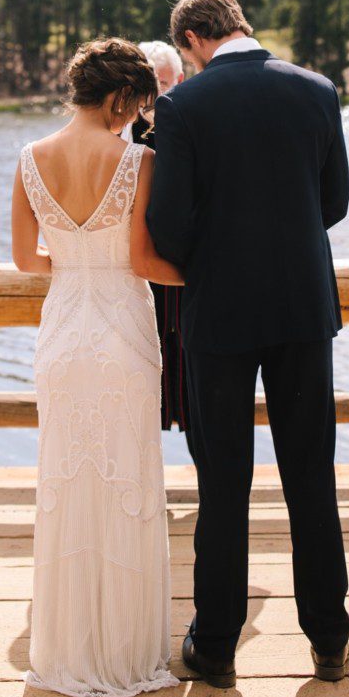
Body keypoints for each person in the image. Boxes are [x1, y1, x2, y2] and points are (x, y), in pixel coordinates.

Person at [145, 0, 349, 688]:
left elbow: (167, 224)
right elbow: (334, 202)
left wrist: (215, 257)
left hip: (220, 315)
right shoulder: (317, 90)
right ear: (238, 23)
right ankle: (329, 641)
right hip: (302, 309)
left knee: (224, 483)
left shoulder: (182, 104)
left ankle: (216, 647)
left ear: (192, 40)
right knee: (311, 476)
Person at [10, 37, 183, 697]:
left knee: (66, 481)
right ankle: (123, 653)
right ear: (120, 97)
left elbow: (26, 259)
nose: (137, 118)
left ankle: (68, 650)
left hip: (63, 333)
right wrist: (206, 275)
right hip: (122, 334)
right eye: (137, 106)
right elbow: (143, 262)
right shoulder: (138, 160)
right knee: (126, 482)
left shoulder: (30, 158)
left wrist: (75, 261)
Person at [131, 40, 193, 457]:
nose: (156, 97)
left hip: (185, 276)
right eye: (149, 87)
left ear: (180, 80)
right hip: (138, 273)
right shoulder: (119, 134)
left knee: (194, 382)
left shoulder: (190, 125)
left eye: (165, 84)